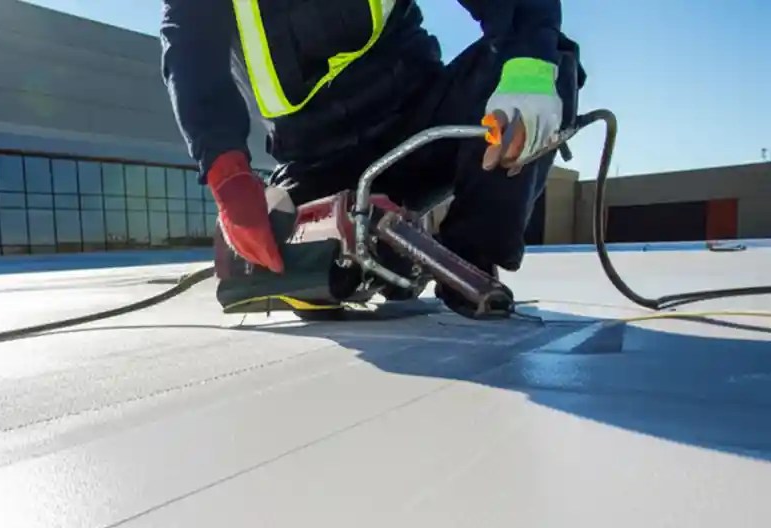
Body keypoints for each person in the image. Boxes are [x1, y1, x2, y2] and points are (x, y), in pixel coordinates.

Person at [159, 0, 585, 316]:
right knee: (292, 263)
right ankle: (387, 257)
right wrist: (228, 175)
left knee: (547, 59)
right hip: (317, 161)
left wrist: (529, 68)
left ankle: (468, 257)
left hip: (421, 127)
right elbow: (189, 50)